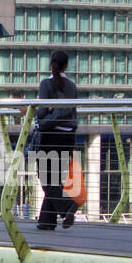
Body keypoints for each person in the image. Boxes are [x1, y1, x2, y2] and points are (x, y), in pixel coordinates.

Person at [34, 50, 79, 230]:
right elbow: (68, 111)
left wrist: (35, 115)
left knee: (46, 179)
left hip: (50, 136)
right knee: (53, 178)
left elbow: (42, 112)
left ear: (50, 63)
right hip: (67, 137)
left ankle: (67, 204)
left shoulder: (46, 84)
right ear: (66, 65)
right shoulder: (72, 86)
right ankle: (47, 221)